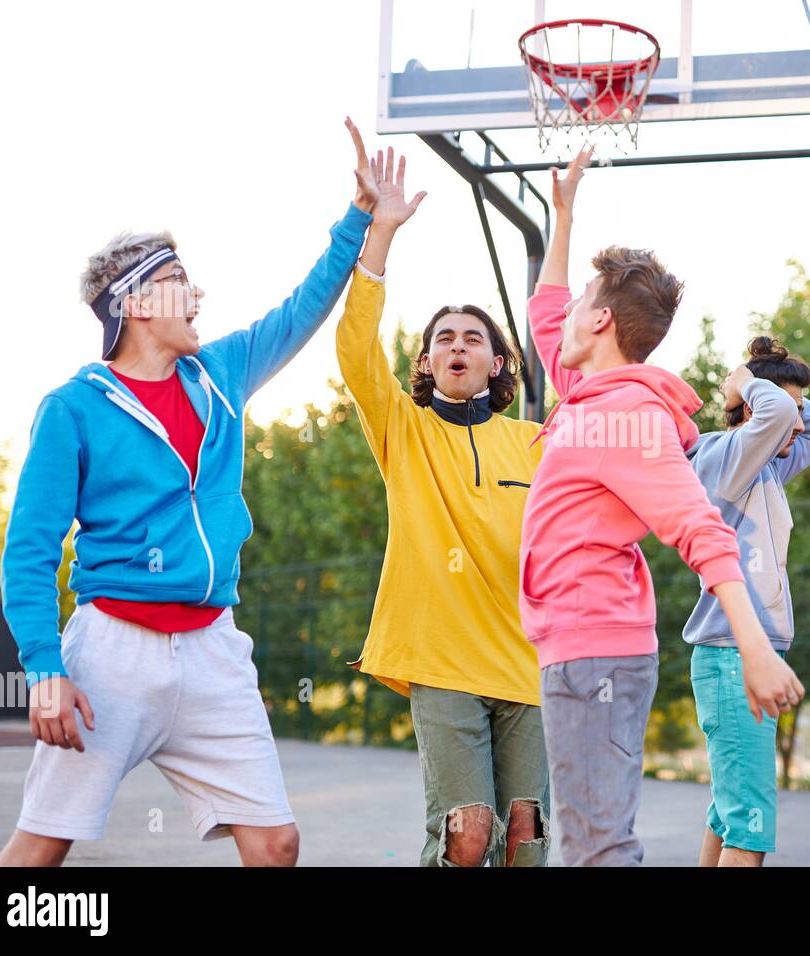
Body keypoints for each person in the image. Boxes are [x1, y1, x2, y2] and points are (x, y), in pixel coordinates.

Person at [0, 119, 376, 867]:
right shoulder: (73, 409)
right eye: (178, 285)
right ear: (134, 305)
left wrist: (358, 216)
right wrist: (46, 668)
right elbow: (29, 551)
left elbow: (302, 309)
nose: (196, 296)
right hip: (111, 655)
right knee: (41, 848)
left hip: (212, 651)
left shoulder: (220, 376)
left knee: (276, 843)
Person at [521, 148, 804, 866]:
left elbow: (704, 533)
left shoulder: (628, 418)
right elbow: (547, 311)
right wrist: (564, 215)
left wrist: (755, 648)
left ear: (603, 322)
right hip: (576, 645)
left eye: (586, 303)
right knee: (588, 841)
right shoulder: (586, 392)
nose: (569, 315)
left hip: (596, 649)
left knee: (595, 847)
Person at [336, 131, 549, 867]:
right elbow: (356, 351)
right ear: (427, 362)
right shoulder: (403, 428)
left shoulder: (534, 441)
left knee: (526, 835)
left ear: (498, 362)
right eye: (444, 338)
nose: (459, 345)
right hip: (443, 664)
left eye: (473, 337)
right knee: (467, 832)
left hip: (527, 665)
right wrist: (380, 233)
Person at [683, 338, 810, 866]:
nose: (798, 424)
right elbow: (772, 415)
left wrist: (774, 375)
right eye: (786, 411)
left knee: (730, 814)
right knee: (750, 824)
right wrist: (744, 379)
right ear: (753, 410)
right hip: (732, 656)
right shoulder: (726, 459)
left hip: (749, 656)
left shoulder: (763, 466)